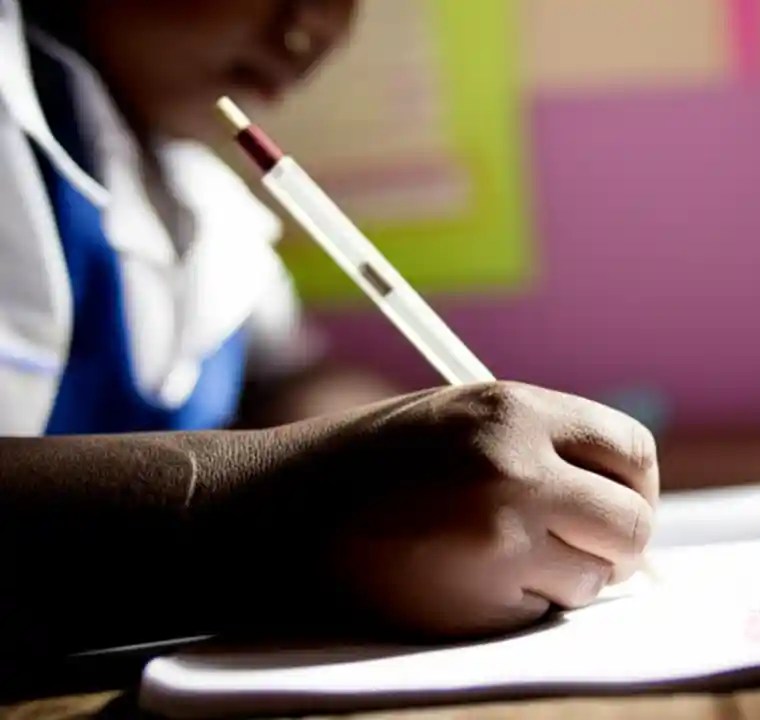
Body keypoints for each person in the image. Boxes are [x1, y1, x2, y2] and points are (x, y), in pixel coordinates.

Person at [0, 0, 658, 671]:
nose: (318, 29)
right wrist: (285, 508)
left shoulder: (210, 210)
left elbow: (285, 377)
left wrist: (419, 451)